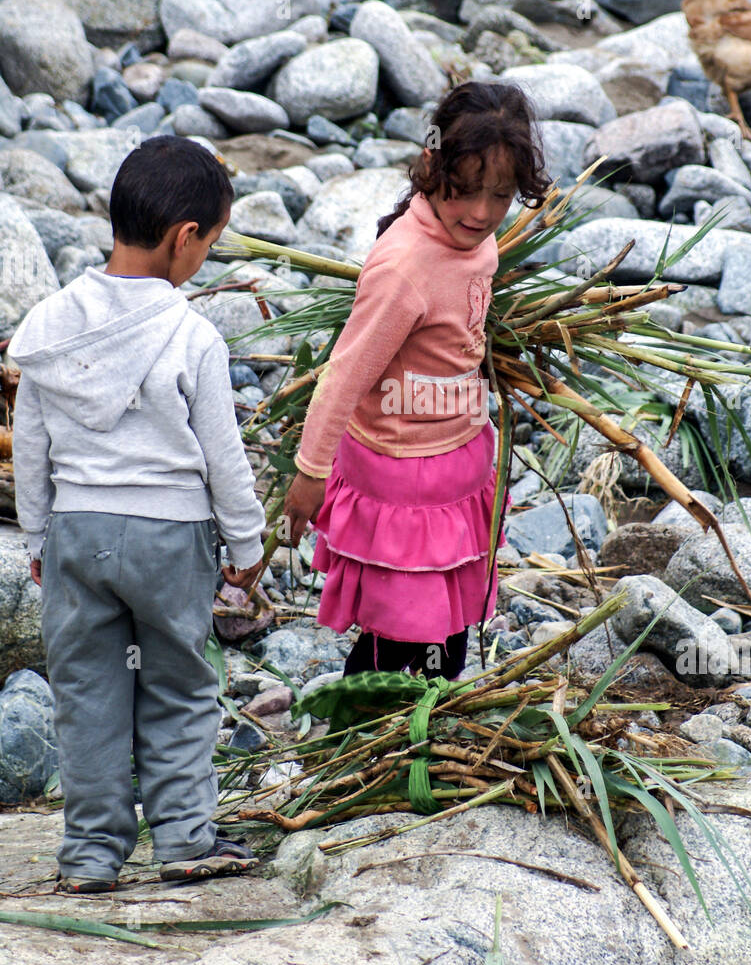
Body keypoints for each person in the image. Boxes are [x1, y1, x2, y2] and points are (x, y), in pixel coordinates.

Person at [9, 135, 266, 893]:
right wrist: (246, 545)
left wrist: (36, 534)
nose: (205, 260)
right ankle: (185, 837)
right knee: (182, 683)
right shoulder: (191, 335)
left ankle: (90, 855)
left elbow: (31, 444)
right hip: (169, 537)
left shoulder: (51, 325)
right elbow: (225, 459)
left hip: (78, 534)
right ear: (186, 238)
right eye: (209, 245)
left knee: (86, 693)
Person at [283, 81, 549, 681]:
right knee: (402, 631)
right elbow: (345, 375)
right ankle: (352, 745)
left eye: (500, 196)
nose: (481, 214)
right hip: (401, 475)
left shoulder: (476, 243)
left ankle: (422, 741)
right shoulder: (403, 267)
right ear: (432, 167)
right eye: (464, 192)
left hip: (458, 463)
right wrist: (309, 474)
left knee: (448, 631)